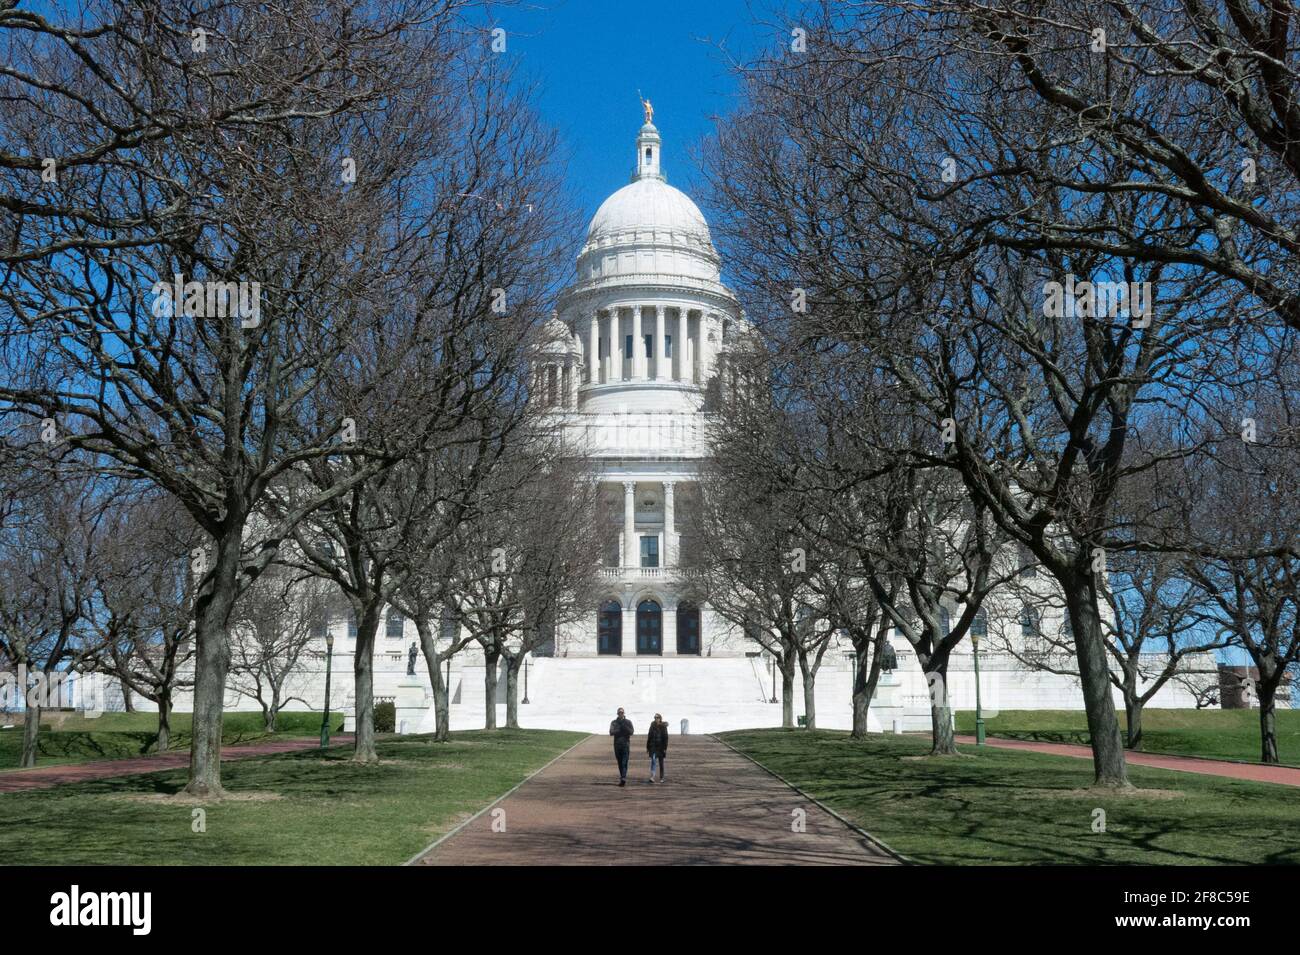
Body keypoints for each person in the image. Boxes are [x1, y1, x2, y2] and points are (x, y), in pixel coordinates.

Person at [609, 707, 634, 786]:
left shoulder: (628, 722)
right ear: (617, 714)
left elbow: (631, 732)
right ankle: (622, 777)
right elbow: (611, 732)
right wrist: (619, 729)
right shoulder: (614, 722)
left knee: (624, 762)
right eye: (619, 713)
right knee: (620, 762)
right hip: (617, 745)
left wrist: (625, 727)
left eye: (622, 713)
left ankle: (623, 778)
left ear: (624, 713)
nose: (621, 714)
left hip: (625, 744)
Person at [646, 712, 669, 783]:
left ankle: (661, 777)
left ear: (660, 718)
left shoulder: (663, 727)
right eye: (655, 717)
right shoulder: (652, 726)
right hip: (653, 747)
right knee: (653, 761)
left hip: (661, 747)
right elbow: (649, 736)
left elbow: (666, 738)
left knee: (661, 762)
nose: (656, 719)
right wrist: (647, 747)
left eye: (657, 717)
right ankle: (652, 776)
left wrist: (665, 748)